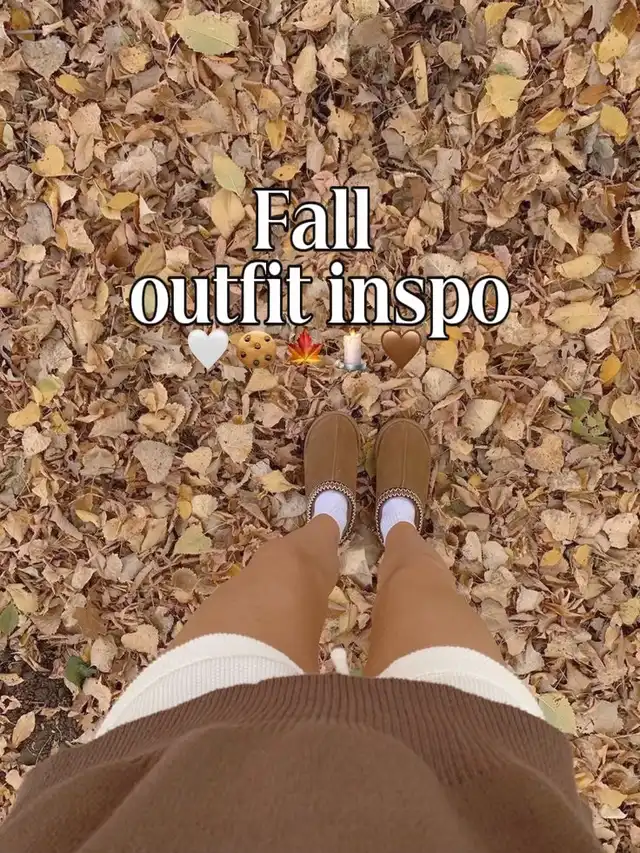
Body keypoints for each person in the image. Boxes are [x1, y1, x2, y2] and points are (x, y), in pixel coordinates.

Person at [1, 414, 600, 853]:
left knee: (286, 571)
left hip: (177, 765)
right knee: (422, 586)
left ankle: (330, 518)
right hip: (483, 783)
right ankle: (396, 527)